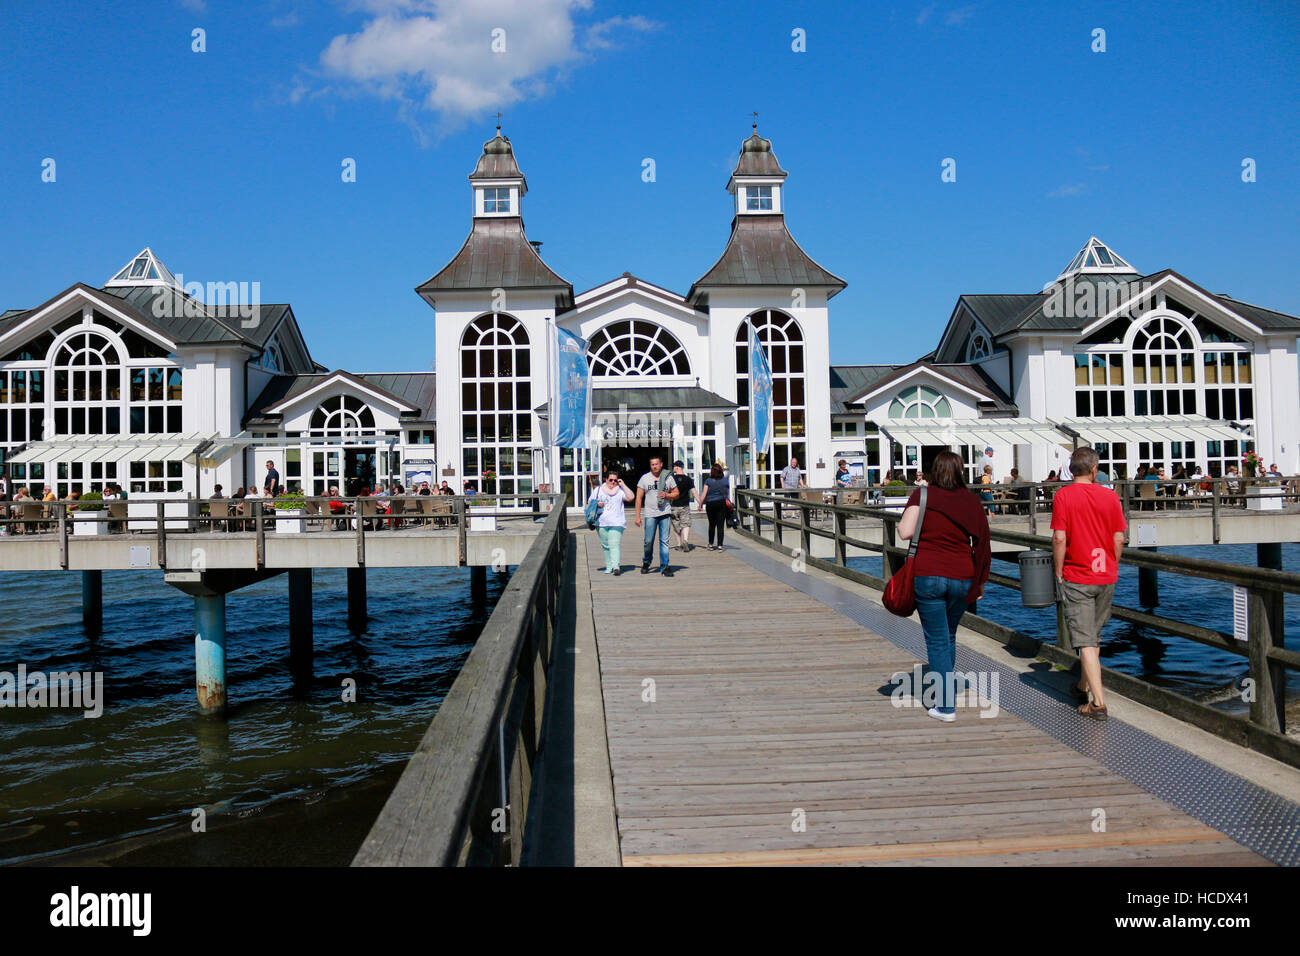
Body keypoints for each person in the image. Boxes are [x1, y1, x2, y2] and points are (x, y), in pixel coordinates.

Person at [897, 451, 991, 722]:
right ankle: (945, 688)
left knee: (937, 639)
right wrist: (981, 580)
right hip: (963, 576)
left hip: (928, 574)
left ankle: (946, 706)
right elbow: (983, 543)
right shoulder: (972, 501)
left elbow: (904, 532)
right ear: (961, 471)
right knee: (948, 635)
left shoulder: (923, 496)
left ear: (933, 471)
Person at [1052, 447, 1127, 721]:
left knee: (1085, 640)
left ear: (1072, 469)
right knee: (1093, 635)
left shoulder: (1063, 496)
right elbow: (1119, 539)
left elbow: (1060, 538)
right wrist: (1112, 562)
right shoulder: (1110, 496)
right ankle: (1084, 685)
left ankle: (1098, 702)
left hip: (1078, 574)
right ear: (1095, 470)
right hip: (1106, 574)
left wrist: (1058, 571)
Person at [634, 455, 678, 576]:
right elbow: (638, 497)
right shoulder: (645, 478)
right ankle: (646, 562)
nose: (654, 466)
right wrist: (637, 516)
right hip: (650, 513)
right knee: (648, 541)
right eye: (652, 464)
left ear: (661, 464)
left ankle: (665, 567)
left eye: (656, 464)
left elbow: (676, 493)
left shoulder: (668, 478)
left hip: (665, 512)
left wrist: (667, 495)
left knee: (664, 541)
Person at [590, 471, 634, 574]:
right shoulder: (598, 490)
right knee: (605, 545)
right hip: (601, 522)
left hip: (617, 522)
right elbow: (590, 502)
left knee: (614, 544)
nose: (613, 482)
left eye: (615, 480)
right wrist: (597, 503)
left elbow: (631, 497)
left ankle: (616, 567)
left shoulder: (620, 490)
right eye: (611, 480)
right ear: (606, 480)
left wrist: (623, 484)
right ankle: (609, 566)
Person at [699, 461, 730, 550]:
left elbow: (704, 494)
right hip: (721, 503)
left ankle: (711, 544)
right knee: (720, 525)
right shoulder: (725, 481)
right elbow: (727, 493)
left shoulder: (708, 481)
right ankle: (720, 545)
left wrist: (700, 504)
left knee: (712, 524)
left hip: (711, 503)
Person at [669, 461, 697, 553]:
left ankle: (678, 544)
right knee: (686, 524)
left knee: (676, 525)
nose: (673, 468)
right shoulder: (688, 479)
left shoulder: (671, 479)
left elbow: (668, 491)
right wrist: (700, 502)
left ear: (677, 467)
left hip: (674, 505)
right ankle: (685, 541)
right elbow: (694, 492)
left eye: (674, 466)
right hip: (685, 505)